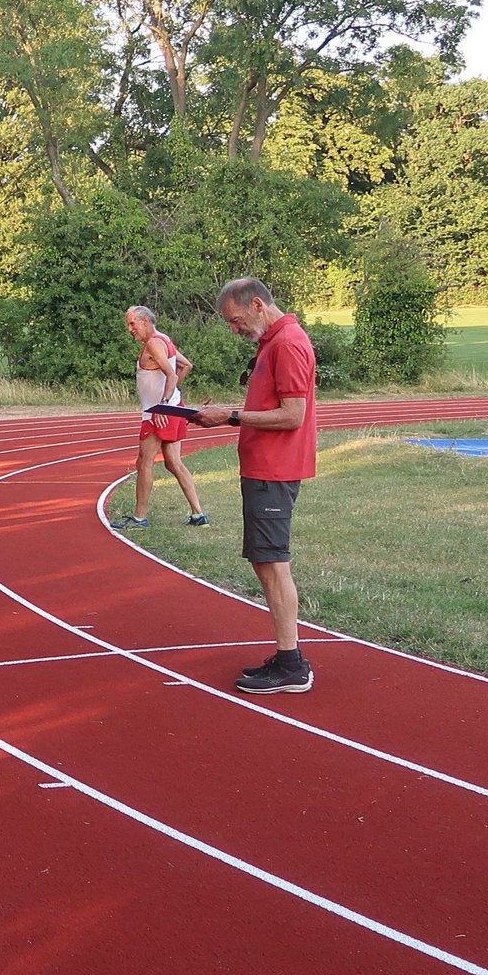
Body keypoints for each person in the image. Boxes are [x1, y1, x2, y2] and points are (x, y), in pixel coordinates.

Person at [191, 277, 318, 694]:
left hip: (275, 470)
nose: (235, 329)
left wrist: (231, 416)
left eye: (236, 320)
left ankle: (291, 664)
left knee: (273, 563)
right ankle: (287, 657)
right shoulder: (273, 341)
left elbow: (293, 415)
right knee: (265, 561)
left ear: (258, 305)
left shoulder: (288, 343)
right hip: (265, 468)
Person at [113, 305, 207, 530]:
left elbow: (172, 375)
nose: (130, 329)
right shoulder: (164, 339)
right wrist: (172, 398)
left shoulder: (154, 344)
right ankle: (198, 514)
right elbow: (186, 365)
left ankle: (139, 518)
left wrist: (163, 406)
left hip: (158, 413)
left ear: (145, 321)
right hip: (171, 408)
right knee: (173, 463)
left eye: (132, 324)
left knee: (144, 461)